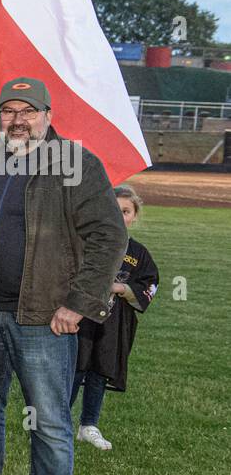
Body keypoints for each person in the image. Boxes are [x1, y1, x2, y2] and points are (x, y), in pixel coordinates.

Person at [0, 77, 128, 475]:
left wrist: (78, 302)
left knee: (50, 421)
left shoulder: (73, 162)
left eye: (27, 111)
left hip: (43, 316)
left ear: (47, 116)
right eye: (8, 111)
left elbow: (109, 236)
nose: (17, 120)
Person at [72, 185, 158, 451]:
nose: (120, 216)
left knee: (100, 369)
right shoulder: (86, 242)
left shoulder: (138, 253)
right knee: (75, 368)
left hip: (114, 321)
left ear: (134, 215)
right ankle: (58, 421)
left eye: (126, 211)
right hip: (81, 316)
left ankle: (89, 425)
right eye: (114, 209)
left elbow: (150, 282)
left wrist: (121, 288)